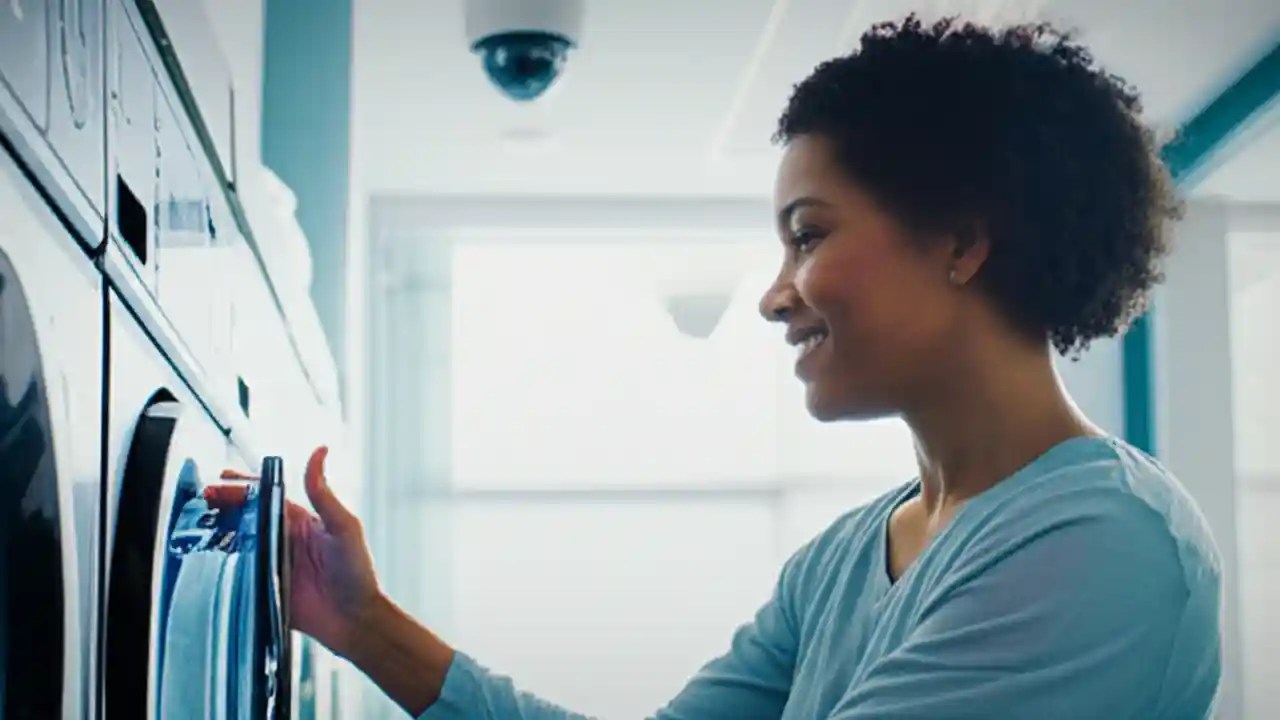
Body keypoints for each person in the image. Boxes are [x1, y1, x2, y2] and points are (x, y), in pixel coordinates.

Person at [214, 14, 1222, 719]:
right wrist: (360, 622)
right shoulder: (841, 559)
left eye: (806, 235)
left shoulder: (1101, 541)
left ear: (958, 241)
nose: (775, 294)